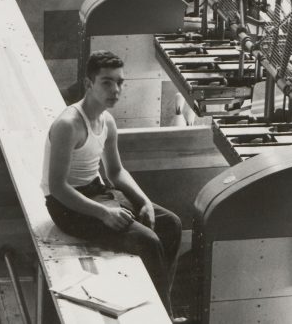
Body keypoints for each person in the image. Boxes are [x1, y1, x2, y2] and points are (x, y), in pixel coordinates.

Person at [42, 51, 185, 321]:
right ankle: (162, 316)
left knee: (171, 224)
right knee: (148, 241)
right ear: (88, 84)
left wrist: (143, 201)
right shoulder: (68, 125)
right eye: (106, 82)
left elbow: (116, 172)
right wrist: (104, 213)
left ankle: (163, 305)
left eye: (120, 82)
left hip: (97, 193)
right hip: (66, 207)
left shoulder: (107, 120)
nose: (115, 90)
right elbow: (57, 188)